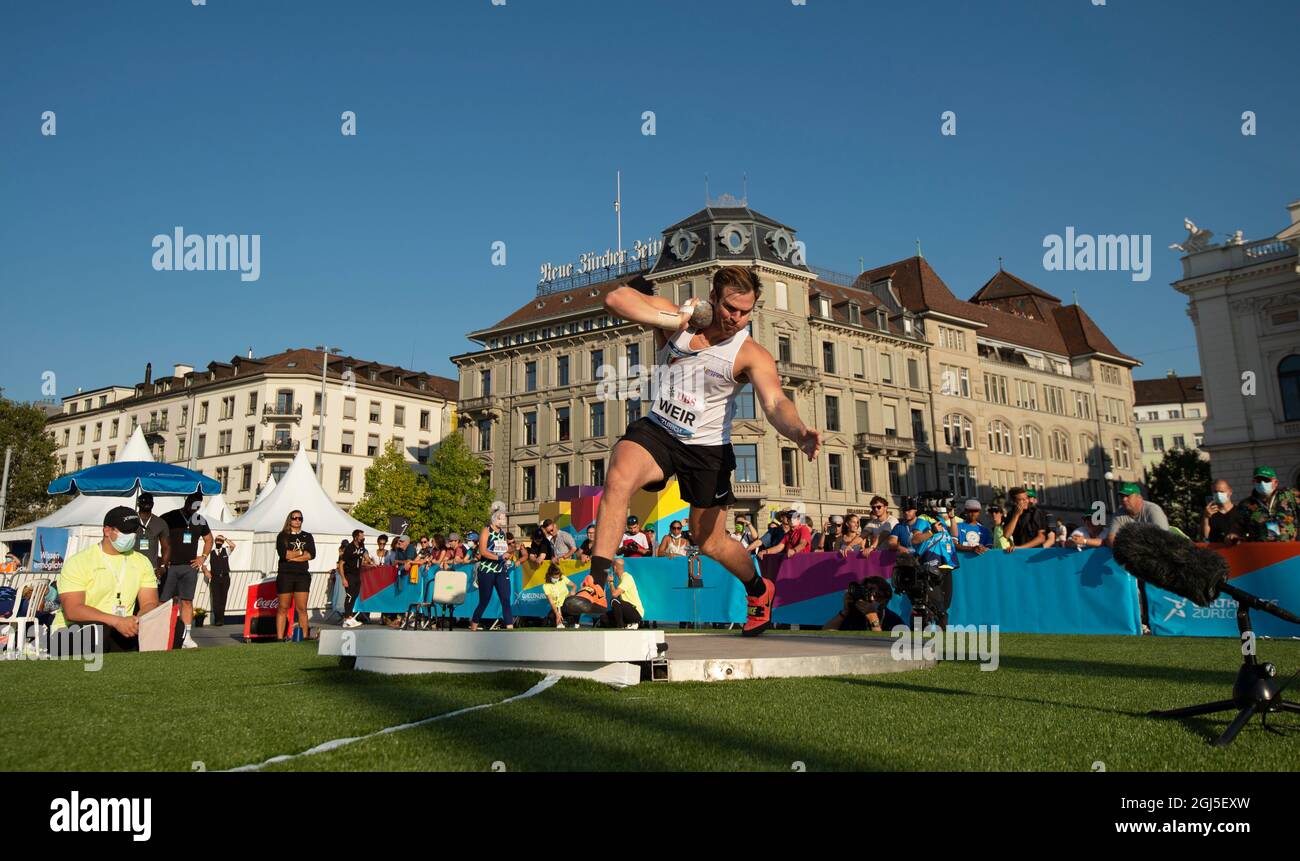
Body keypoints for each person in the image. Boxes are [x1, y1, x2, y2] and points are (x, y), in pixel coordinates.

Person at [591, 265, 820, 636]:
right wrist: (674, 317)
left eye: (746, 311)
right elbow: (615, 299)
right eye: (731, 308)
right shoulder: (678, 323)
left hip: (707, 449)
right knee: (618, 477)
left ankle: (759, 589)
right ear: (713, 297)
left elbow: (776, 402)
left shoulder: (750, 354)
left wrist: (798, 432)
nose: (737, 318)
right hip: (660, 431)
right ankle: (597, 581)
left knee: (709, 541)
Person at [52, 507, 161, 652]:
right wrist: (116, 621)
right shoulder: (79, 561)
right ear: (107, 531)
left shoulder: (142, 561)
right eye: (126, 531)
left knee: (169, 625)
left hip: (119, 628)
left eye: (134, 531)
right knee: (98, 632)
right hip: (72, 630)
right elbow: (73, 610)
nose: (131, 535)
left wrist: (139, 619)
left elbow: (149, 602)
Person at [160, 491, 212, 648]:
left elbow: (209, 539)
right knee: (163, 602)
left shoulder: (200, 520)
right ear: (187, 500)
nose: (194, 506)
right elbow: (157, 536)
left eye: (198, 504)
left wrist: (202, 557)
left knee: (187, 601)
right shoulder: (170, 517)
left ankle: (186, 637)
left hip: (190, 567)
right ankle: (161, 632)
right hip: (171, 566)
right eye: (192, 502)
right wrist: (161, 560)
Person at [470, 502, 514, 632]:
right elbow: (483, 551)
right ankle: (473, 626)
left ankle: (510, 629)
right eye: (502, 517)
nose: (504, 519)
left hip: (501, 570)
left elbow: (503, 549)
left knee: (506, 599)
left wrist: (510, 552)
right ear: (495, 517)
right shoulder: (486, 530)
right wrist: (499, 557)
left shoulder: (503, 533)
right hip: (487, 570)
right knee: (484, 600)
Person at [1227, 466, 1300, 544]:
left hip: (1291, 550)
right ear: (1253, 482)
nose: (1262, 483)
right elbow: (1237, 528)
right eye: (1258, 480)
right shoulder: (1246, 504)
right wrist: (1233, 535)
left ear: (1275, 482)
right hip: (1262, 551)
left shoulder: (1289, 495)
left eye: (1266, 480)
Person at [273, 510, 315, 640]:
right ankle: (279, 637)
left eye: (300, 518)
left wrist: (295, 555)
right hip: (286, 575)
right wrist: (302, 553)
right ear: (289, 519)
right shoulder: (282, 536)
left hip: (302, 575)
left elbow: (311, 555)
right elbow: (284, 555)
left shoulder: (307, 536)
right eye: (294, 518)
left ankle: (305, 636)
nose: (297, 520)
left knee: (302, 608)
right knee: (283, 607)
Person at [823, 576, 905, 632]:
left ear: (885, 600)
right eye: (867, 592)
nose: (871, 598)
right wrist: (845, 612)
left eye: (876, 594)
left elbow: (881, 647)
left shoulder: (895, 621)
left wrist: (873, 620)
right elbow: (825, 634)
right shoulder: (855, 616)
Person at [133, 492, 169, 590]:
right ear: (138, 503)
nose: (146, 503)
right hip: (131, 568)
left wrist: (162, 566)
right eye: (143, 501)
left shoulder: (160, 523)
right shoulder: (131, 520)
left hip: (151, 569)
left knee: (149, 602)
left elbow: (166, 547)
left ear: (153, 504)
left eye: (149, 501)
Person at [339, 529, 371, 628]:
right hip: (349, 575)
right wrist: (343, 579)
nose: (363, 537)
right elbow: (341, 564)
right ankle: (346, 618)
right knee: (349, 595)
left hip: (357, 574)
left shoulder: (361, 545)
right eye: (361, 536)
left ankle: (350, 617)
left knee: (355, 595)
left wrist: (370, 561)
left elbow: (364, 554)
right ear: (356, 537)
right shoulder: (349, 548)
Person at [1003, 487, 1048, 552]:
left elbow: (1041, 538)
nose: (1026, 501)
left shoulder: (1036, 512)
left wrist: (1021, 548)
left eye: (1026, 498)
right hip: (1019, 555)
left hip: (1034, 554)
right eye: (1021, 499)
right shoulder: (1011, 514)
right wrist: (1016, 516)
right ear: (1014, 502)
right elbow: (1007, 535)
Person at [607, 558, 645, 629]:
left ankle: (621, 627)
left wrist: (611, 582)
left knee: (614, 600)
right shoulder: (621, 579)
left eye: (612, 567)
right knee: (604, 618)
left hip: (636, 612)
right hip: (627, 610)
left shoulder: (627, 577)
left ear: (615, 568)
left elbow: (614, 594)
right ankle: (627, 625)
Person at [207, 534, 235, 626]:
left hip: (225, 577)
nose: (218, 542)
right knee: (216, 599)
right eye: (217, 540)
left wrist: (225, 538)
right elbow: (204, 565)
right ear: (215, 542)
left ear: (222, 542)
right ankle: (217, 619)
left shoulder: (225, 551)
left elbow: (233, 545)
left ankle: (221, 619)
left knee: (223, 599)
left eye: (220, 541)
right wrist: (206, 572)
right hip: (215, 578)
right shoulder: (211, 553)